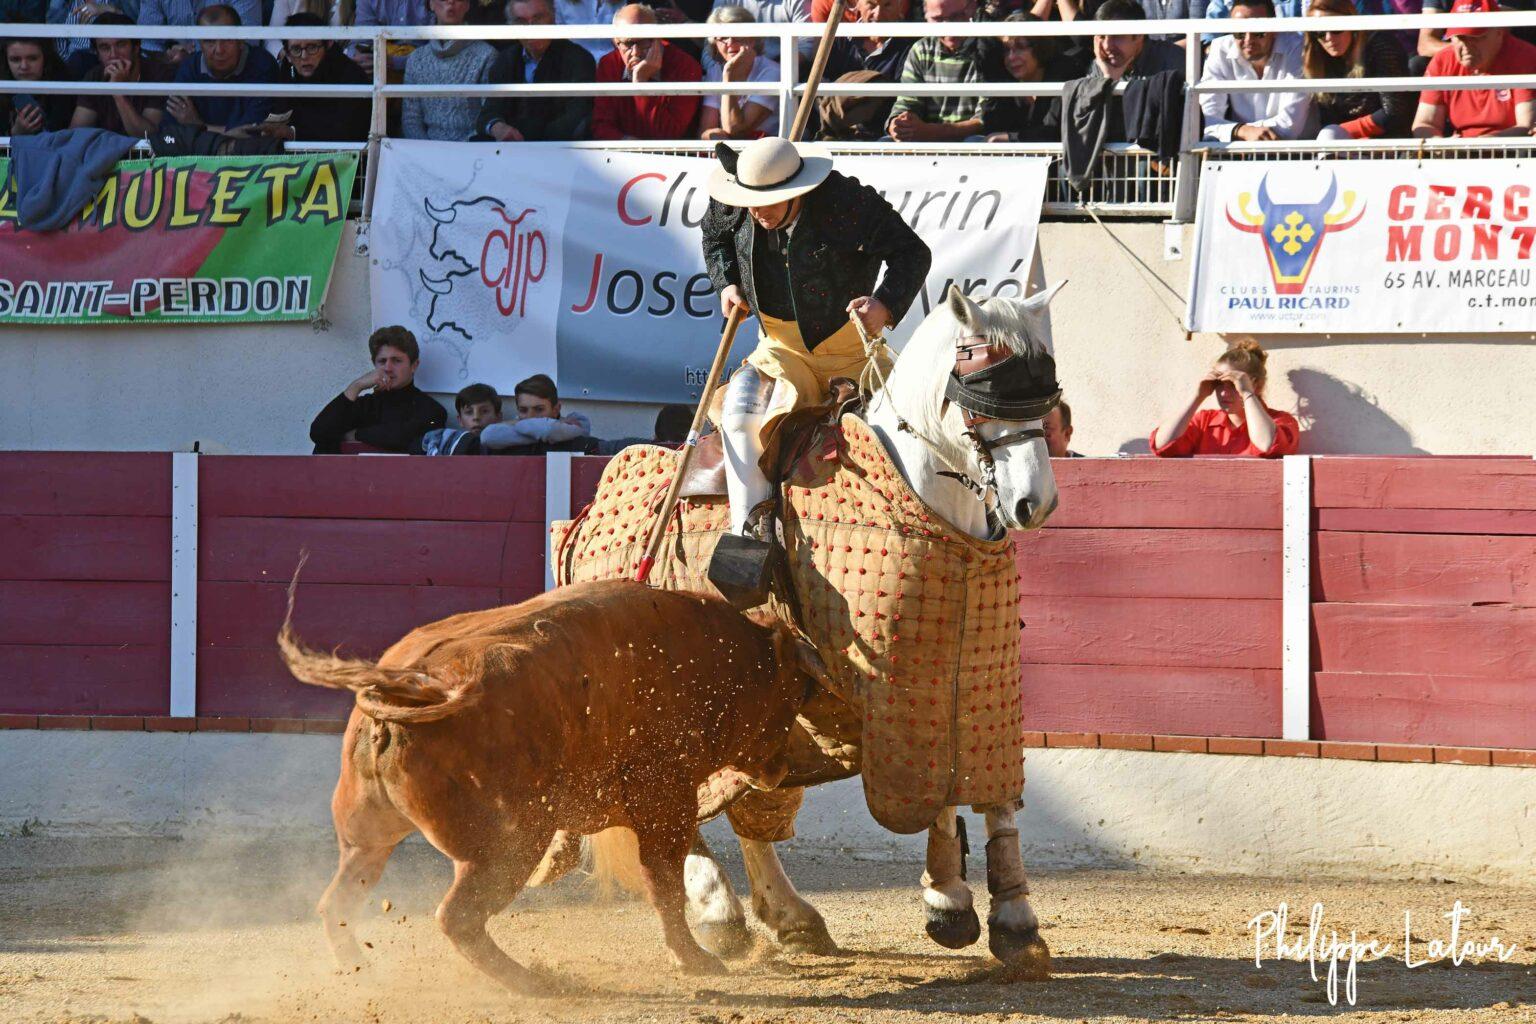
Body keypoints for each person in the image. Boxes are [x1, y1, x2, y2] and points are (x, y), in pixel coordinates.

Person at [701, 137, 932, 551]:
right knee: (739, 412)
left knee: (900, 440)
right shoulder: (741, 195)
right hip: (780, 347)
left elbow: (912, 252)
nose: (757, 212)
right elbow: (714, 237)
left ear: (799, 192)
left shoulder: (846, 201)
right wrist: (727, 283)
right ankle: (748, 538)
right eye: (751, 203)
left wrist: (885, 304)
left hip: (853, 350)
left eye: (770, 203)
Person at [310, 326, 448, 454]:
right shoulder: (364, 406)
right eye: (382, 361)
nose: (387, 368)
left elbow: (403, 437)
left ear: (414, 365)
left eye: (396, 361)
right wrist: (356, 386)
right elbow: (319, 432)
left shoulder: (431, 410)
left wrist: (356, 434)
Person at [1150, 340, 1300, 458]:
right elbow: (1162, 445)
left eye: (1233, 385)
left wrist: (1247, 393)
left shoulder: (1281, 421)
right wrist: (1197, 397)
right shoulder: (1204, 421)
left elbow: (1267, 445)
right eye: (1218, 384)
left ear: (1257, 385)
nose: (1223, 393)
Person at [1412, 0, 1536, 137]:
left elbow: (1526, 126)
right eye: (1459, 37)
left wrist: (1480, 144)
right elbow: (1425, 123)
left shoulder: (1524, 56)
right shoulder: (1442, 60)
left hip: (1512, 150)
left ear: (1499, 32)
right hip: (1458, 151)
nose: (1466, 46)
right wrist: (1441, 145)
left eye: (1476, 37)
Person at [477, 0, 597, 141]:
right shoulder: (505, 59)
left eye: (538, 19)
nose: (531, 28)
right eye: (521, 21)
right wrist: (497, 127)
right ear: (512, 26)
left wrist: (529, 139)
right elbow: (488, 112)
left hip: (559, 150)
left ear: (553, 19)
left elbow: (578, 115)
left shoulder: (578, 59)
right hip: (510, 150)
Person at [1198, 0, 1315, 141]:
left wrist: (1239, 131)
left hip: (1299, 152)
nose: (1248, 40)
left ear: (1274, 30)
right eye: (1239, 32)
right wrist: (1241, 130)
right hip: (1238, 152)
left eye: (1258, 32)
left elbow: (1290, 124)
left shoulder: (1297, 47)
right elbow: (1206, 119)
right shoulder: (1220, 49)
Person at [887, 0, 998, 141]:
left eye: (957, 17)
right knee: (885, 143)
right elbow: (907, 102)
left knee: (976, 141)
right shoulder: (921, 50)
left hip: (969, 143)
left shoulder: (987, 50)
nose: (948, 28)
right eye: (938, 19)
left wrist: (929, 131)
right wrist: (898, 124)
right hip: (926, 137)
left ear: (972, 8)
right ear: (925, 17)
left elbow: (986, 120)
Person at [591, 3, 703, 140]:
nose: (636, 52)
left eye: (643, 42)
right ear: (615, 42)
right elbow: (601, 125)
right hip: (620, 155)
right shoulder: (609, 64)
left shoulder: (685, 66)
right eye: (628, 43)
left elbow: (670, 135)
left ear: (657, 38)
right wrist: (625, 143)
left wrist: (641, 85)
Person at [1303, 0, 1413, 138]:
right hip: (1345, 144)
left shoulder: (1380, 45)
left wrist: (1343, 130)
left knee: (1329, 135)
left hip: (1388, 142)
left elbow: (1395, 111)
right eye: (1319, 32)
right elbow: (1327, 119)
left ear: (1351, 24)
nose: (1329, 37)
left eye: (1336, 28)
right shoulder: (1319, 61)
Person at [165, 4, 281, 133]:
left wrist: (197, 125)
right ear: (200, 44)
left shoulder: (262, 65)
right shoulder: (189, 69)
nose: (219, 50)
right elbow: (171, 134)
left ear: (241, 40)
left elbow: (253, 134)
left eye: (227, 39)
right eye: (210, 41)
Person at [263, 13, 371, 143]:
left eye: (312, 47)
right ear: (287, 53)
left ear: (328, 44)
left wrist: (294, 133)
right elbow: (280, 115)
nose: (304, 56)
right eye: (296, 49)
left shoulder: (352, 76)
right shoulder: (288, 69)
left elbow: (348, 132)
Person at [817, 0, 915, 140]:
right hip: (834, 134)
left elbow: (901, 101)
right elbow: (822, 88)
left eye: (887, 5)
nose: (878, 14)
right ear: (858, 4)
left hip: (883, 138)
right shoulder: (840, 40)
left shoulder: (911, 44)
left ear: (900, 6)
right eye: (872, 4)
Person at [402, 0, 497, 141]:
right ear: (431, 4)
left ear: (467, 5)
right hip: (425, 154)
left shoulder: (487, 55)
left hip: (473, 153)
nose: (450, 2)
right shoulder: (416, 59)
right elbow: (411, 119)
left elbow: (489, 115)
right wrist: (425, 152)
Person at [67, 13, 171, 136]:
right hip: (110, 151)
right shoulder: (95, 76)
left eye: (121, 44)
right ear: (98, 54)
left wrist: (118, 93)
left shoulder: (159, 75)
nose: (113, 55)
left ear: (136, 47)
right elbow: (75, 134)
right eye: (105, 48)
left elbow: (148, 137)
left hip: (147, 153)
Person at [983, 14, 1079, 142]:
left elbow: (1054, 132)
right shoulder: (1006, 79)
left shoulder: (1063, 75)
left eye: (1020, 47)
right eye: (1006, 50)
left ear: (1040, 47)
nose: (1011, 57)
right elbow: (993, 125)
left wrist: (1009, 138)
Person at [699, 6, 781, 139]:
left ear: (752, 39)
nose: (730, 42)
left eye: (737, 35)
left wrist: (729, 76)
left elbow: (735, 128)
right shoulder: (714, 72)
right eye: (723, 37)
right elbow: (704, 131)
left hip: (769, 151)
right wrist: (716, 136)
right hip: (730, 150)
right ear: (715, 44)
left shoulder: (772, 72)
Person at [479, 374, 596, 452]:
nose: (530, 417)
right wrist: (543, 434)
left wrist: (516, 426)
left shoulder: (578, 420)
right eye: (523, 410)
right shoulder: (565, 424)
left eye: (539, 409)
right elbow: (487, 436)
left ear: (556, 409)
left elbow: (550, 430)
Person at [1, 37, 75, 136]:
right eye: (15, 59)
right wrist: (15, 134)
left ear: (45, 58)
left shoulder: (63, 87)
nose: (24, 66)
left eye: (32, 58)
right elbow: (3, 151)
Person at [138, 0, 261, 57]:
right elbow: (148, 42)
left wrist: (192, 59)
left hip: (228, 69)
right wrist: (167, 56)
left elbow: (247, 41)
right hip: (172, 71)